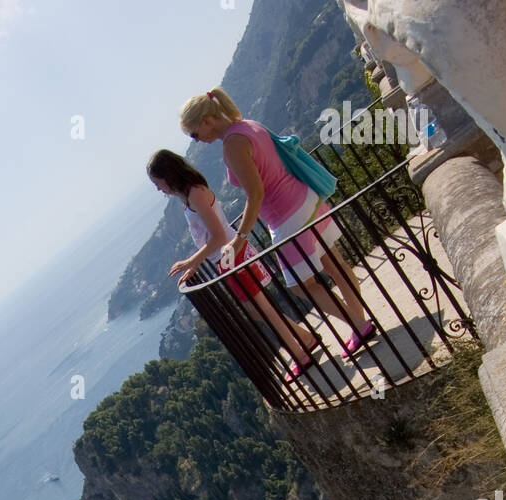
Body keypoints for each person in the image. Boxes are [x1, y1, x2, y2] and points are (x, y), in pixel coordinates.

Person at [179, 87, 376, 359]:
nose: (196, 140)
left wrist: (240, 238)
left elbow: (256, 193)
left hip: (287, 218)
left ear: (206, 121)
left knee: (300, 285)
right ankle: (361, 323)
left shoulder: (233, 145)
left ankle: (359, 325)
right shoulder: (248, 125)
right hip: (306, 199)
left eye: (193, 133)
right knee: (335, 265)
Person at [147, 149, 321, 378]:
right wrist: (197, 262)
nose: (159, 189)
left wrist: (192, 261)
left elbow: (217, 236)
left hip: (231, 256)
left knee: (262, 309)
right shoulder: (191, 194)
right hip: (228, 257)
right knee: (258, 310)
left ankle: (301, 353)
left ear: (168, 175)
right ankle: (304, 338)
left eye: (158, 183)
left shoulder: (195, 195)